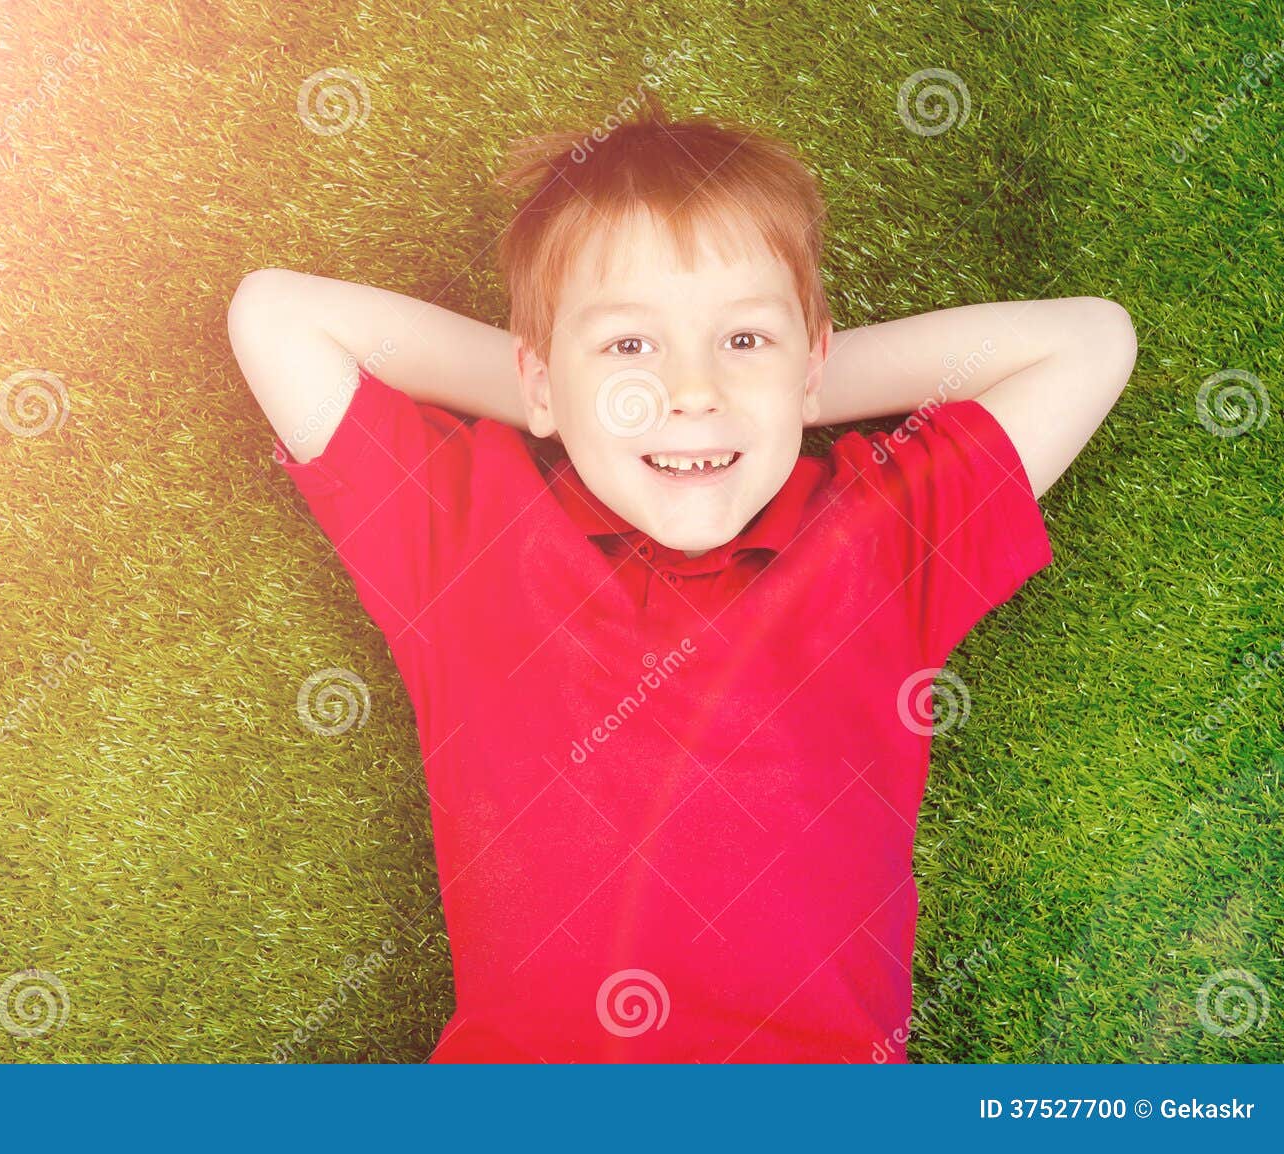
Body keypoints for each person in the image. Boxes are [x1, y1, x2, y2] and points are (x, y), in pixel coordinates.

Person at [225, 95, 1137, 1062]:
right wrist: (574, 405)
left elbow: (1089, 341)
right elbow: (275, 313)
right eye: (629, 346)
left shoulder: (878, 540)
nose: (693, 391)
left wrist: (765, 392)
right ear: (541, 379)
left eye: (745, 341)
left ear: (809, 361)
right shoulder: (467, 540)